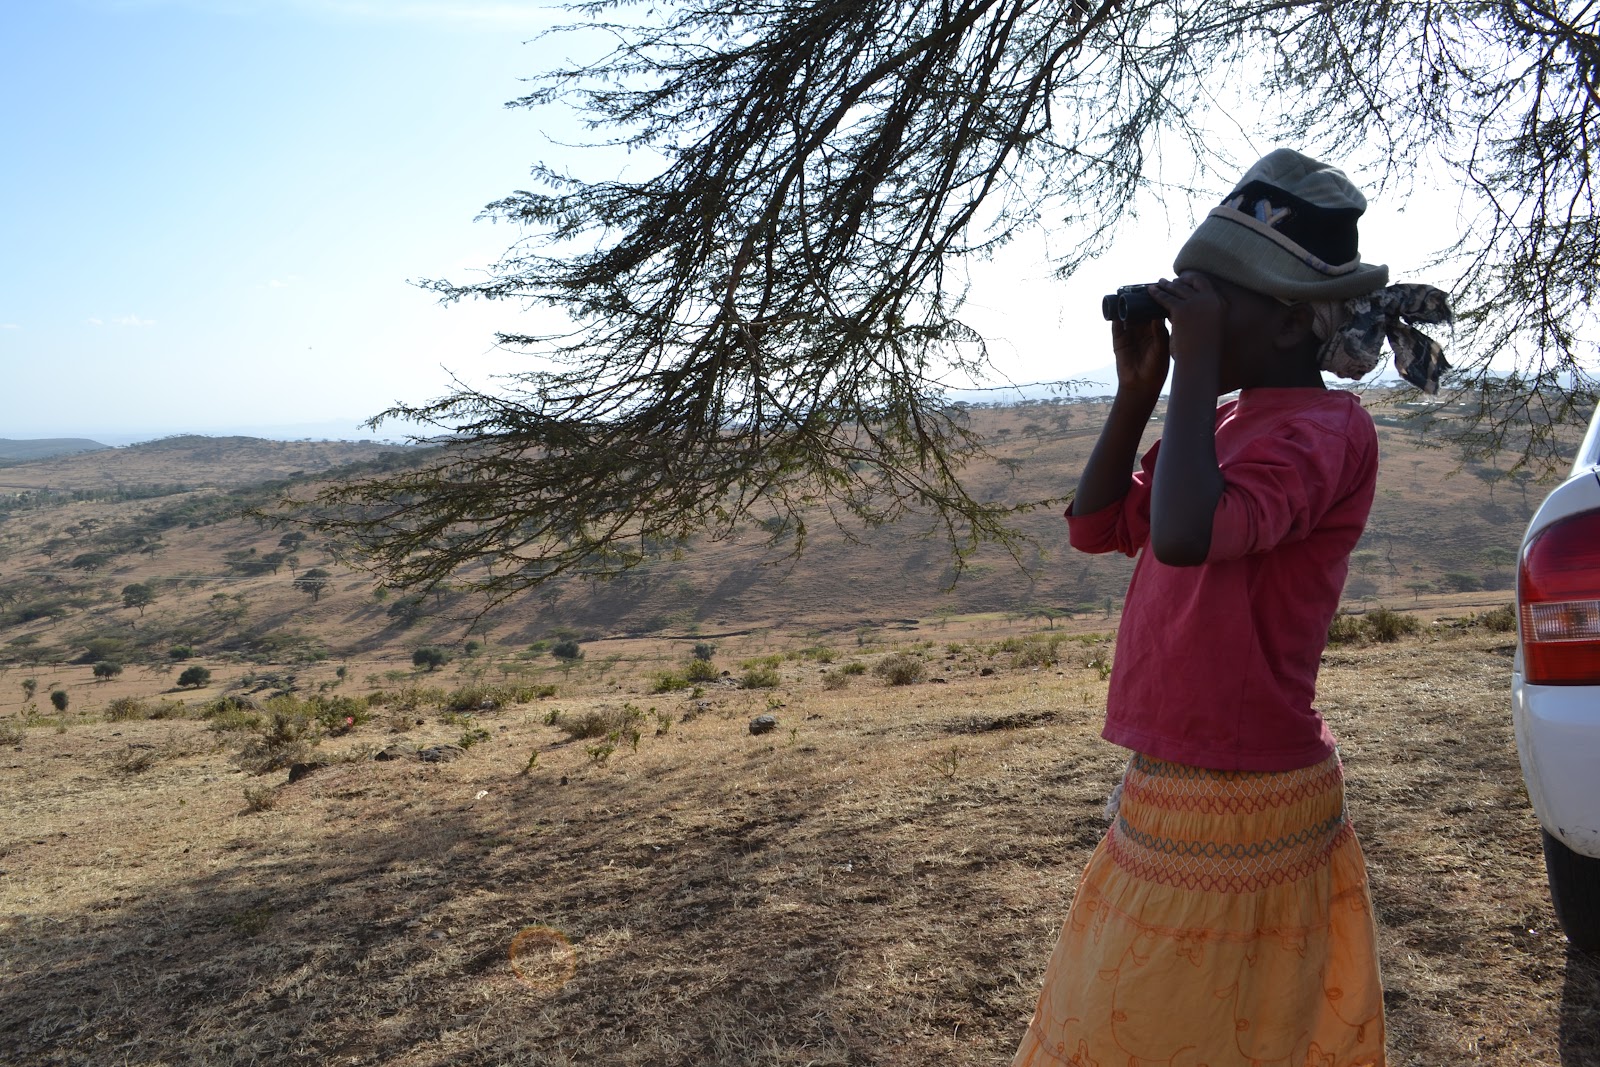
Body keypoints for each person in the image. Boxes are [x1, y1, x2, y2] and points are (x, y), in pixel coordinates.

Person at [1011, 149, 1452, 1067]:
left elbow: (1185, 533)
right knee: (1133, 1015)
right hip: (1176, 779)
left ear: (1291, 323)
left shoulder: (1327, 432)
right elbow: (1098, 527)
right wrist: (1141, 393)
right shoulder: (1218, 424)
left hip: (1252, 789)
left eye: (1211, 297)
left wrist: (1198, 370)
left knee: (1209, 1027)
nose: (1185, 308)